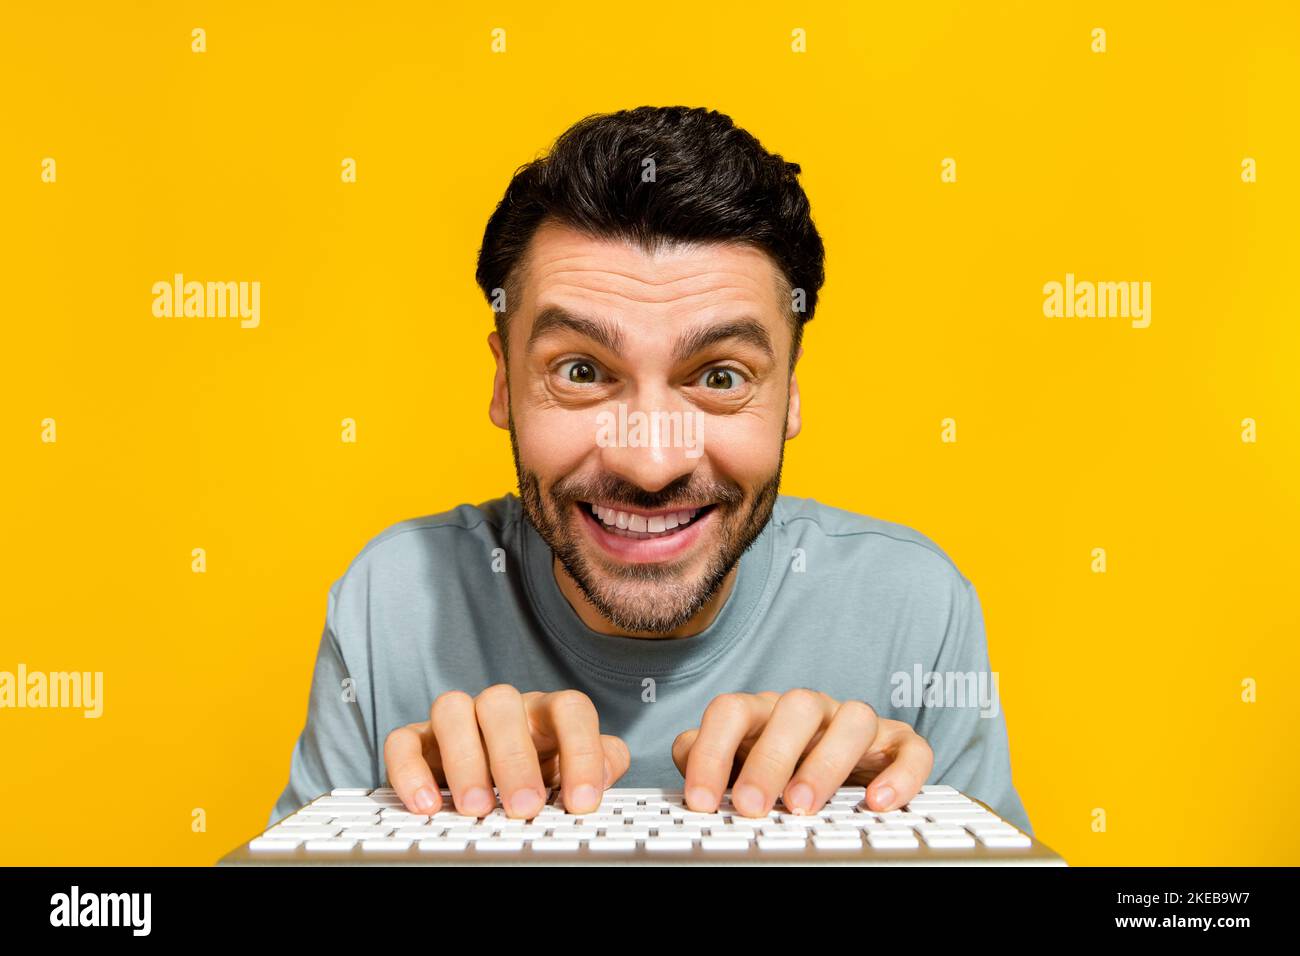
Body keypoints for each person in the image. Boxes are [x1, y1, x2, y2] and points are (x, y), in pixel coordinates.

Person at [269, 105, 1032, 833]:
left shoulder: (915, 609)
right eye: (579, 370)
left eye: (721, 377)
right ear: (504, 384)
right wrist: (391, 835)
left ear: (790, 394)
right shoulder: (393, 603)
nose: (650, 460)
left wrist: (891, 840)